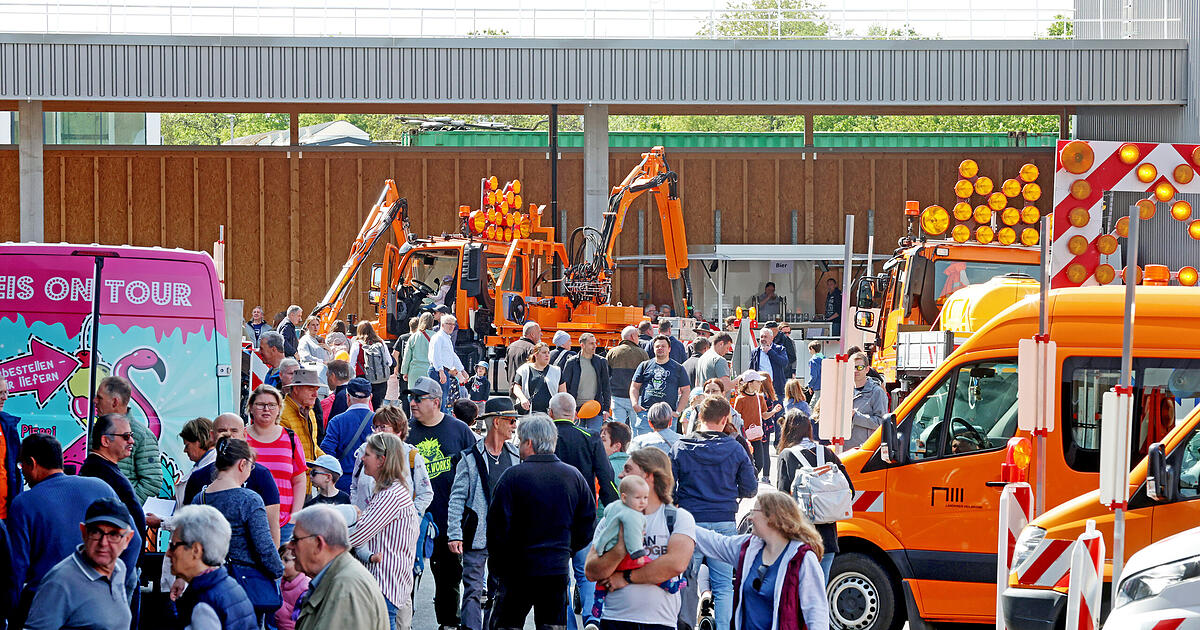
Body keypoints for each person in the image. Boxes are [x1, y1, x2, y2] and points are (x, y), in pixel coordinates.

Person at [9, 435, 138, 629]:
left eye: (22, 466)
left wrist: (9, 615)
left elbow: (16, 569)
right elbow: (133, 542)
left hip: (43, 607)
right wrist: (111, 588)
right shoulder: (100, 486)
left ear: (32, 463)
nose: (23, 473)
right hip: (99, 610)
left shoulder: (24, 503)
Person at [487, 414, 596, 630]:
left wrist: (499, 565)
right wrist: (566, 549)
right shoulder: (573, 476)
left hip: (517, 570)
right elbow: (587, 523)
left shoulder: (512, 477)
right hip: (555, 568)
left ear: (529, 443)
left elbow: (496, 527)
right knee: (552, 626)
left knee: (507, 625)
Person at [671, 394, 759, 630]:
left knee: (685, 582)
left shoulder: (681, 446)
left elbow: (668, 488)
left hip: (690, 523)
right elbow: (751, 489)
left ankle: (685, 625)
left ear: (699, 417)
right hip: (723, 521)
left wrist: (682, 500)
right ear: (725, 419)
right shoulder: (735, 448)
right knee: (723, 586)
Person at [585, 448, 696, 630]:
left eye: (628, 470)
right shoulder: (611, 518)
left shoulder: (678, 518)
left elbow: (675, 564)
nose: (620, 475)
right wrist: (621, 546)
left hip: (660, 623)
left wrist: (625, 577)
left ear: (648, 476)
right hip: (614, 620)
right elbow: (591, 571)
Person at [692, 490, 830, 630]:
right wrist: (682, 521)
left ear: (772, 518)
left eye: (754, 512)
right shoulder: (749, 547)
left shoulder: (802, 559)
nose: (750, 517)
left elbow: (817, 614)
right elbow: (716, 543)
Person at [404, 376, 478, 630]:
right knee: (406, 577)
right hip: (412, 521)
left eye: (418, 398)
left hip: (449, 520)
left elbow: (476, 473)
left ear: (436, 402)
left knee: (449, 578)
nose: (412, 403)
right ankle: (404, 623)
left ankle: (449, 623)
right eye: (410, 397)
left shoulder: (459, 430)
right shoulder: (406, 430)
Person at [189, 437, 284, 622]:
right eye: (251, 466)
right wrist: (279, 571)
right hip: (244, 585)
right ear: (242, 464)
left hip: (206, 581)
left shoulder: (199, 499)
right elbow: (264, 548)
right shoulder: (249, 499)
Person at [447, 397, 521, 630]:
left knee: (500, 592)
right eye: (511, 420)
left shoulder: (516, 456)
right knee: (472, 590)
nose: (514, 426)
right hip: (476, 535)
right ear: (496, 422)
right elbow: (457, 498)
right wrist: (454, 533)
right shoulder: (470, 457)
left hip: (506, 538)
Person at [548, 392, 618, 630]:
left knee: (559, 577)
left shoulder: (545, 439)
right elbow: (606, 478)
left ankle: (568, 625)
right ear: (575, 415)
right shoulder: (590, 437)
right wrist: (613, 509)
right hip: (583, 515)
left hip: (551, 516)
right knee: (587, 573)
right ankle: (592, 618)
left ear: (550, 413)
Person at [23, 498, 136, 630]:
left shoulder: (119, 568)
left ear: (127, 539)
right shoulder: (61, 581)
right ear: (83, 532)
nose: (104, 543)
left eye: (114, 534)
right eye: (96, 532)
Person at [348, 432, 420, 630]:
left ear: (382, 460)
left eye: (368, 454)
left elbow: (356, 536)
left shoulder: (390, 496)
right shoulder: (391, 492)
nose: (363, 458)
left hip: (384, 586)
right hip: (385, 585)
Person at [183, 413, 283, 547]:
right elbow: (187, 525)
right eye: (222, 431)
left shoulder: (261, 475)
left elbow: (272, 527)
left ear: (244, 436)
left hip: (248, 561)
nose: (229, 435)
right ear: (212, 436)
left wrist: (270, 563)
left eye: (234, 431)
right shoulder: (197, 477)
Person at [589, 475, 678, 622]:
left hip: (612, 557)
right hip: (631, 556)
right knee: (653, 567)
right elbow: (631, 540)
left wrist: (600, 548)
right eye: (638, 498)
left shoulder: (613, 510)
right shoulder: (632, 515)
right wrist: (638, 554)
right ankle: (669, 584)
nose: (643, 502)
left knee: (603, 580)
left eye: (645, 498)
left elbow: (606, 533)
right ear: (625, 497)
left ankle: (598, 601)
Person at [777, 411, 853, 581]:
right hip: (828, 540)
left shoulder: (787, 456)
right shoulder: (827, 453)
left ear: (787, 430)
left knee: (797, 593)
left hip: (799, 539)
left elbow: (782, 500)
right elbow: (850, 490)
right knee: (819, 592)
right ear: (809, 429)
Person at [290, 506, 389, 630]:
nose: (289, 546)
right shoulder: (338, 578)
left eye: (295, 539)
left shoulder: (347, 588)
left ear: (318, 544)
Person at [166, 504, 258, 630]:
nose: (168, 553)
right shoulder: (228, 584)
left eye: (173, 546)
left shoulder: (204, 604)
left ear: (196, 550)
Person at [245, 384, 308, 542]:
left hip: (284, 523)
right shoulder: (241, 438)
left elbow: (299, 480)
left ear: (279, 408)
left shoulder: (290, 438)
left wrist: (294, 516)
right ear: (251, 408)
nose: (266, 409)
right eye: (260, 404)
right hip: (247, 521)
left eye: (272, 405)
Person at [350, 406, 433, 518]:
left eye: (383, 427)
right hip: (364, 523)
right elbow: (355, 485)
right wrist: (357, 511)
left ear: (398, 430)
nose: (377, 432)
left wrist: (412, 517)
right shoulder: (364, 451)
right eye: (375, 427)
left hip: (398, 529)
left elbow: (425, 492)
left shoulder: (411, 455)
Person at [94, 375, 163, 505]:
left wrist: (125, 507)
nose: (94, 401)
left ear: (115, 402)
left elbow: (152, 481)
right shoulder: (95, 431)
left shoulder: (142, 435)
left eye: (100, 397)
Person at [79, 413, 148, 543]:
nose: (132, 441)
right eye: (126, 436)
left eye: (131, 435)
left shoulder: (105, 469)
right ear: (105, 441)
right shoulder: (98, 473)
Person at [320, 377, 376, 493]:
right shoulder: (379, 422)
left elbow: (326, 450)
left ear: (348, 397)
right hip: (372, 481)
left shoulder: (337, 421)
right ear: (370, 397)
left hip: (344, 481)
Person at [630, 335, 691, 437]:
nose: (660, 348)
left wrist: (678, 412)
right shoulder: (644, 365)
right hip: (646, 415)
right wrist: (635, 404)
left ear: (669, 349)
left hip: (668, 416)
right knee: (642, 450)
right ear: (653, 349)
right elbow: (634, 387)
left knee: (666, 450)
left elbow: (686, 390)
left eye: (663, 346)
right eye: (657, 346)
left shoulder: (678, 368)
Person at [733, 371, 780, 483]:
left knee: (759, 463)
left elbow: (764, 415)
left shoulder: (760, 398)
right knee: (744, 461)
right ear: (750, 383)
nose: (760, 383)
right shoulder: (740, 399)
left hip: (757, 435)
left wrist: (773, 411)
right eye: (758, 381)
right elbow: (735, 418)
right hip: (744, 437)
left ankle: (748, 479)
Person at [560, 332, 612, 427]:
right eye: (591, 343)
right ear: (582, 345)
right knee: (577, 439)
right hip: (576, 410)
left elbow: (606, 386)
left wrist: (606, 409)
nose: (595, 346)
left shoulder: (601, 362)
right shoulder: (572, 362)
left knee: (594, 438)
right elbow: (565, 387)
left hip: (595, 408)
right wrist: (569, 408)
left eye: (595, 343)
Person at [607, 326, 649, 429]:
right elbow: (647, 376)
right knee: (636, 427)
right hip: (635, 397)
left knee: (617, 427)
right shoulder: (642, 353)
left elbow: (606, 375)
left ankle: (617, 444)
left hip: (616, 396)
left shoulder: (612, 352)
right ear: (633, 336)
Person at [280, 368, 325, 464]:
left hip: (308, 475)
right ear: (296, 389)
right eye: (311, 389)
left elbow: (313, 446)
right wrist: (316, 466)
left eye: (317, 389)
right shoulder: (282, 414)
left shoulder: (309, 411)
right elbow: (286, 454)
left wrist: (327, 461)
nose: (315, 394)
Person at [429, 314, 469, 413]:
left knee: (442, 402)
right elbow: (436, 355)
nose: (452, 326)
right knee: (439, 403)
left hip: (443, 371)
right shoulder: (438, 337)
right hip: (438, 371)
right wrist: (441, 371)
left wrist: (462, 370)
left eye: (453, 324)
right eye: (449, 324)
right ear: (442, 325)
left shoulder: (446, 338)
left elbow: (452, 355)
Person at [848, 351, 888, 449]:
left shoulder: (877, 392)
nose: (855, 371)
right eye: (852, 367)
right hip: (844, 449)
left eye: (859, 367)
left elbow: (881, 423)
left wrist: (855, 416)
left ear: (867, 369)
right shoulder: (844, 391)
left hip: (864, 450)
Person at [513, 342, 561, 414]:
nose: (547, 355)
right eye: (544, 352)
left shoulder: (556, 371)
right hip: (529, 414)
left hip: (549, 415)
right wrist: (523, 399)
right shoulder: (524, 369)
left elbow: (563, 392)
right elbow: (516, 388)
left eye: (548, 352)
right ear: (536, 355)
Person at [359, 321, 395, 409]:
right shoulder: (381, 342)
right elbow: (389, 362)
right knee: (378, 408)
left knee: (365, 406)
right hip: (381, 380)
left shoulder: (358, 344)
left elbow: (351, 364)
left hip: (364, 379)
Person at [749, 327, 788, 407]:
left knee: (777, 411)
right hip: (760, 386)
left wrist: (770, 352)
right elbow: (752, 368)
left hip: (776, 386)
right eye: (761, 337)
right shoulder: (756, 352)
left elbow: (784, 362)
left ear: (772, 338)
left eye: (765, 337)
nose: (763, 339)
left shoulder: (779, 349)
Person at [0, 376, 22, 519]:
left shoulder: (7, 426)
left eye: (6, 392)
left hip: (4, 517)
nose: (5, 398)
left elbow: (14, 470)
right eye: (0, 393)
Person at [400, 312, 435, 400]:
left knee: (413, 397)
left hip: (415, 371)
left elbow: (407, 356)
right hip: (430, 371)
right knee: (428, 398)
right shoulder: (436, 336)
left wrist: (404, 372)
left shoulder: (414, 337)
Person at [276, 544, 310, 630]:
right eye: (280, 558)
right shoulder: (284, 581)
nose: (281, 563)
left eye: (286, 560)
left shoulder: (305, 589)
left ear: (300, 563)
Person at [505, 321, 542, 391]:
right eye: (539, 332)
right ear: (532, 334)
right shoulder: (532, 348)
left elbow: (507, 368)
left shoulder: (511, 346)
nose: (541, 334)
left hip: (513, 389)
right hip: (526, 392)